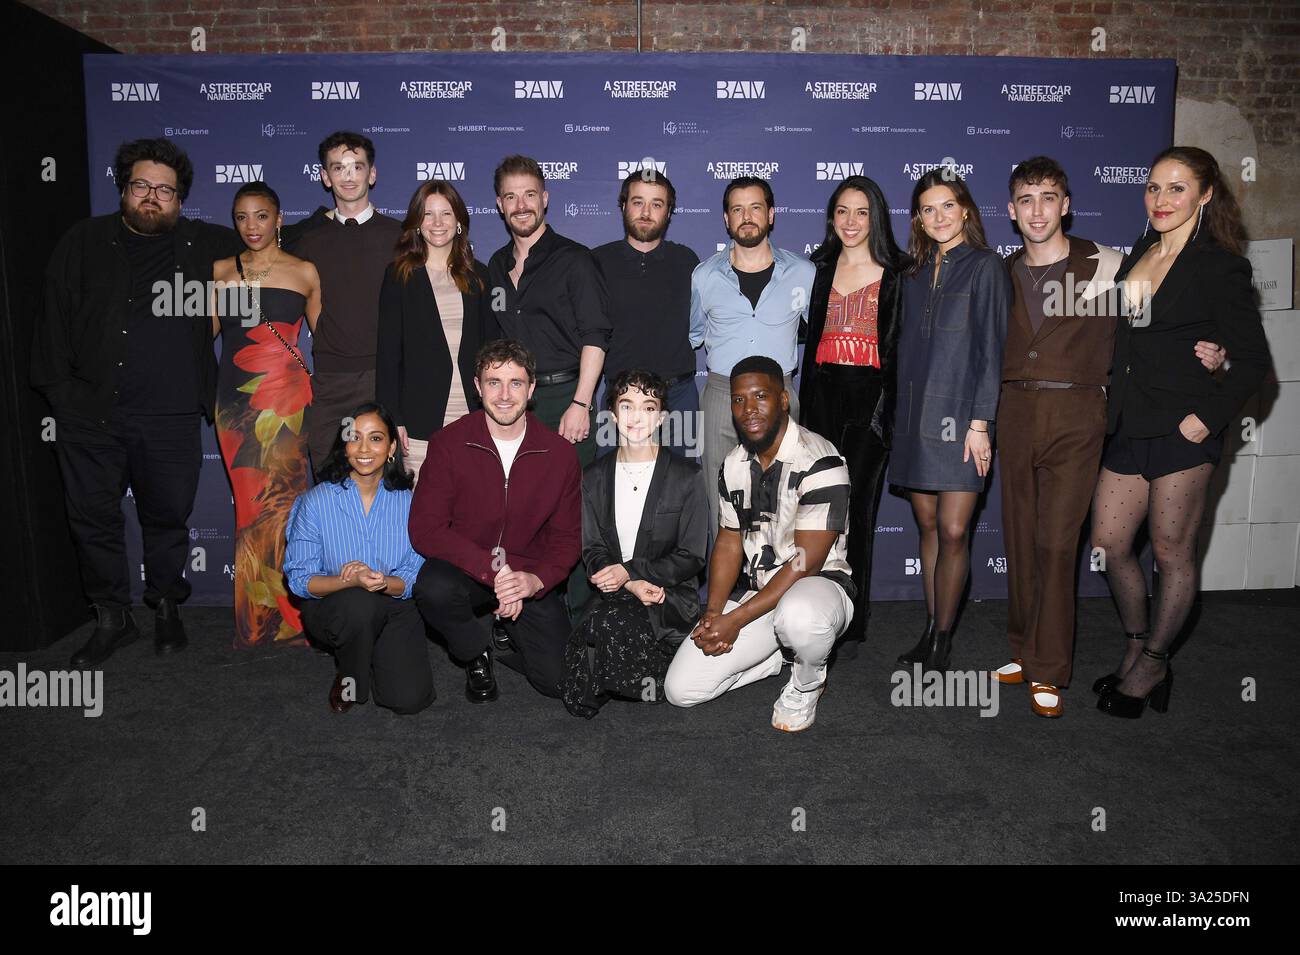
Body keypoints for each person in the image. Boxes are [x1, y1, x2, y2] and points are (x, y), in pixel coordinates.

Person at [995, 157, 1226, 718]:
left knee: (1056, 543)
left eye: (1048, 198)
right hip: (1014, 411)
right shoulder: (999, 273)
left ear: (1066, 204)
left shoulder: (1109, 266)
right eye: (1025, 200)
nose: (1037, 210)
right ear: (1010, 210)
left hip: (1078, 415)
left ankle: (1050, 667)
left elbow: (1157, 331)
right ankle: (1025, 650)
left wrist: (1217, 357)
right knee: (1021, 538)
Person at [33, 137, 243, 667]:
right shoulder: (81, 242)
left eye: (165, 191)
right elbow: (51, 321)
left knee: (168, 515)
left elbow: (264, 239)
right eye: (142, 186)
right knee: (92, 516)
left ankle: (167, 603)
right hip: (89, 413)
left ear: (180, 199)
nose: (152, 197)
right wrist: (61, 395)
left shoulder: (203, 243)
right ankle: (111, 616)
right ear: (123, 188)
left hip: (170, 413)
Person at [1093, 146, 1271, 719]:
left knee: (1171, 552)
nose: (1161, 200)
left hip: (1184, 428)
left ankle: (1155, 661)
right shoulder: (1140, 253)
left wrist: (1208, 417)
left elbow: (1251, 360)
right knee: (1112, 545)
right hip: (1128, 423)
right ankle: (1135, 644)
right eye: (1153, 188)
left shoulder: (1221, 265)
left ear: (1206, 194)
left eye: (1176, 188)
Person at [664, 356, 854, 733]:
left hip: (818, 589)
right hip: (760, 597)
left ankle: (807, 682)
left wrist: (736, 620)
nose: (748, 410)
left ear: (783, 400)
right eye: (738, 400)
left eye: (760, 396)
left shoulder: (820, 461)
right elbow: (729, 542)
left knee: (800, 616)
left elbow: (805, 563)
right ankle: (778, 656)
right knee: (680, 690)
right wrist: (715, 612)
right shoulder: (733, 465)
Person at [410, 340, 582, 701]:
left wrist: (536, 580)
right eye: (493, 382)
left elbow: (568, 539)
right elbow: (425, 529)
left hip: (525, 574)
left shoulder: (560, 454)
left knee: (559, 682)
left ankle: (503, 632)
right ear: (477, 387)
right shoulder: (448, 444)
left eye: (515, 383)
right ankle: (476, 649)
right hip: (467, 571)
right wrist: (493, 570)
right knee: (433, 587)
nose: (504, 395)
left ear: (532, 388)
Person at [889, 170, 1010, 673]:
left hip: (962, 421)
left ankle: (943, 637)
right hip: (914, 418)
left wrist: (980, 423)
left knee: (954, 529)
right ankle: (930, 625)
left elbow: (992, 352)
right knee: (927, 527)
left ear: (965, 210)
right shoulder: (911, 274)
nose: (938, 217)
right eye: (927, 209)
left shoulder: (986, 267)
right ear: (918, 217)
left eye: (947, 206)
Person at [798, 175, 908, 660]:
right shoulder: (817, 268)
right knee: (817, 509)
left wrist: (890, 414)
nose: (850, 221)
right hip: (822, 397)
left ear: (877, 217)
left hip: (870, 404)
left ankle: (852, 617)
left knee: (857, 509)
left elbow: (901, 352)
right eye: (842, 211)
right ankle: (810, 605)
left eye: (861, 212)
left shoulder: (899, 272)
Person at [560, 370, 708, 718]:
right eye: (626, 406)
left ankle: (667, 661)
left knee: (608, 636)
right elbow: (592, 549)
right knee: (574, 693)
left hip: (668, 596)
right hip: (614, 593)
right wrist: (628, 582)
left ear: (662, 417)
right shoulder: (594, 476)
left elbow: (692, 556)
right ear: (612, 415)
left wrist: (633, 573)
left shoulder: (688, 476)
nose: (637, 417)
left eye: (648, 407)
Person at [211, 181, 321, 648]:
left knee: (288, 506)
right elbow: (204, 339)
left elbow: (327, 341)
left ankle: (296, 617)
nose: (251, 226)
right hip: (235, 405)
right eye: (241, 217)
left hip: (289, 403)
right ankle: (256, 620)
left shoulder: (304, 272)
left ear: (279, 219)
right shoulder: (219, 271)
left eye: (261, 215)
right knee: (252, 509)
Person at [284, 402, 432, 715]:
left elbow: (414, 574)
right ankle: (350, 674)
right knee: (358, 604)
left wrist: (383, 582)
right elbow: (298, 579)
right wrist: (347, 580)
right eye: (354, 437)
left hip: (392, 603)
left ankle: (370, 652)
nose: (364, 448)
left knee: (408, 701)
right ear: (344, 445)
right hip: (334, 604)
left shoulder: (410, 503)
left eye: (376, 438)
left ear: (391, 446)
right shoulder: (317, 502)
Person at [690, 176, 814, 534]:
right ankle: (724, 589)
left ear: (771, 215)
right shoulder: (704, 276)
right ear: (726, 219)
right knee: (719, 496)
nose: (746, 216)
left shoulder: (803, 273)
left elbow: (817, 330)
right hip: (721, 396)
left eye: (755, 207)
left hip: (781, 395)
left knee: (784, 498)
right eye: (737, 209)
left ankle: (777, 587)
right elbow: (694, 333)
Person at [486, 155, 611, 467]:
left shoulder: (575, 260)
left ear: (544, 199)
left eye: (529, 195)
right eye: (511, 197)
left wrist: (581, 403)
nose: (521, 205)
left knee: (571, 504)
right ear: (500, 204)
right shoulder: (496, 265)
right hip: (513, 401)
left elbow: (596, 336)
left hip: (565, 397)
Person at [376, 180, 499, 483]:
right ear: (417, 223)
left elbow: (492, 348)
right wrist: (393, 419)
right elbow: (388, 355)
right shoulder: (399, 275)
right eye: (428, 215)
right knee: (422, 514)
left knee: (472, 509)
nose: (437, 223)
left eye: (446, 214)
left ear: (459, 221)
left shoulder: (479, 275)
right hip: (419, 417)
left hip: (472, 413)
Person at [294, 131, 402, 471]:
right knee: (329, 476)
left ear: (372, 173)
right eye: (338, 168)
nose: (349, 176)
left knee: (389, 482)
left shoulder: (400, 236)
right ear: (325, 177)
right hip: (331, 379)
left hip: (386, 377)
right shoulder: (308, 240)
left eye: (357, 167)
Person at [592, 171, 701, 457]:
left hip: (678, 396)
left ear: (668, 212)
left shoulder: (686, 261)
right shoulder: (598, 261)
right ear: (623, 206)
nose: (646, 212)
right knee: (610, 489)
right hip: (619, 396)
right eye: (638, 202)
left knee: (686, 485)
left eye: (657, 204)